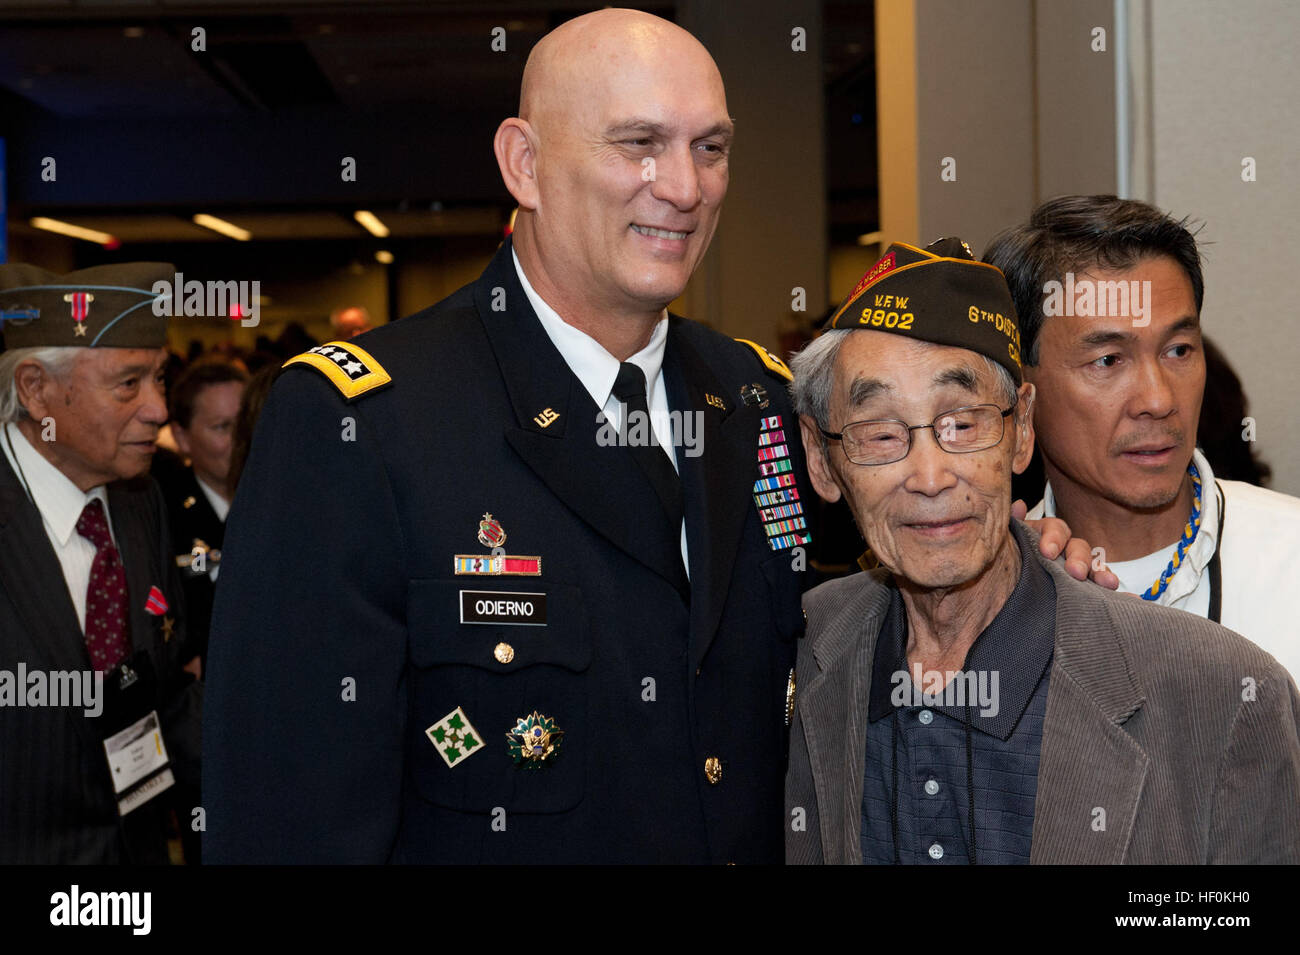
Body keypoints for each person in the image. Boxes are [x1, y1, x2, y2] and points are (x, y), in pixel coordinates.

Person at [205, 10, 1097, 864]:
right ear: (524, 162)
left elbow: (889, 583)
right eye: (639, 144)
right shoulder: (364, 423)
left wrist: (1030, 551)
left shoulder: (757, 399)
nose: (685, 186)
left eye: (710, 148)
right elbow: (288, 822)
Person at [784, 237, 1300, 864]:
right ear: (821, 458)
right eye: (881, 433)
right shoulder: (805, 646)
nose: (929, 475)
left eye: (964, 423)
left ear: (1021, 428)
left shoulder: (1226, 691)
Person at [985, 196, 1300, 679]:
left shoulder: (1288, 553)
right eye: (1109, 360)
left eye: (1178, 350)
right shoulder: (996, 590)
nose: (1158, 399)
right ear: (1021, 398)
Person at [0, 262, 202, 863]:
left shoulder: (143, 502)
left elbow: (166, 687)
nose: (158, 409)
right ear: (36, 390)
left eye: (160, 379)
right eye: (128, 384)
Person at [153, 359, 248, 677]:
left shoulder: (286, 505)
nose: (241, 440)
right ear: (181, 437)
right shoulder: (161, 515)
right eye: (223, 427)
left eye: (247, 423)